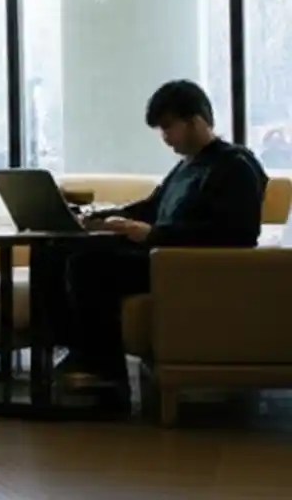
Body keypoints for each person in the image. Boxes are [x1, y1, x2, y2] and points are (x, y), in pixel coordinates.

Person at [57, 80, 268, 392]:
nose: (166, 138)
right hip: (163, 257)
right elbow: (151, 206)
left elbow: (236, 233)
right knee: (58, 250)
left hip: (190, 267)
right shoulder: (187, 166)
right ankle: (76, 354)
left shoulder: (235, 166)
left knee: (88, 266)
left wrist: (153, 235)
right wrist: (100, 219)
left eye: (169, 127)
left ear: (195, 121)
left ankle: (103, 368)